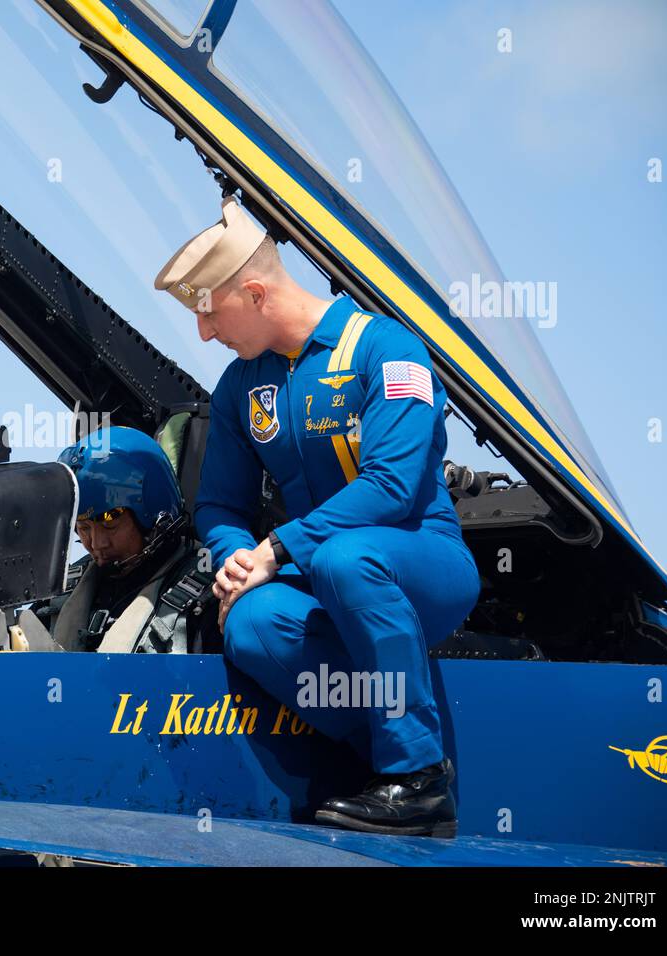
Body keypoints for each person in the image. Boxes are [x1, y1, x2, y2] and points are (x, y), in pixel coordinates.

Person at [153, 196, 481, 837]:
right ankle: (380, 754)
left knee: (345, 557)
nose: (204, 334)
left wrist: (274, 550)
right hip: (318, 577)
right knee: (248, 625)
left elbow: (390, 487)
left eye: (210, 314)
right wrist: (236, 559)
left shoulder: (389, 350)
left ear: (253, 292)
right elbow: (219, 504)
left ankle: (419, 780)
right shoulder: (241, 387)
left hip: (418, 563)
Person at [33, 426, 217, 654]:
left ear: (153, 514)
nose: (97, 543)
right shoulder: (61, 592)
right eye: (83, 527)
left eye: (110, 523)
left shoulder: (210, 595)